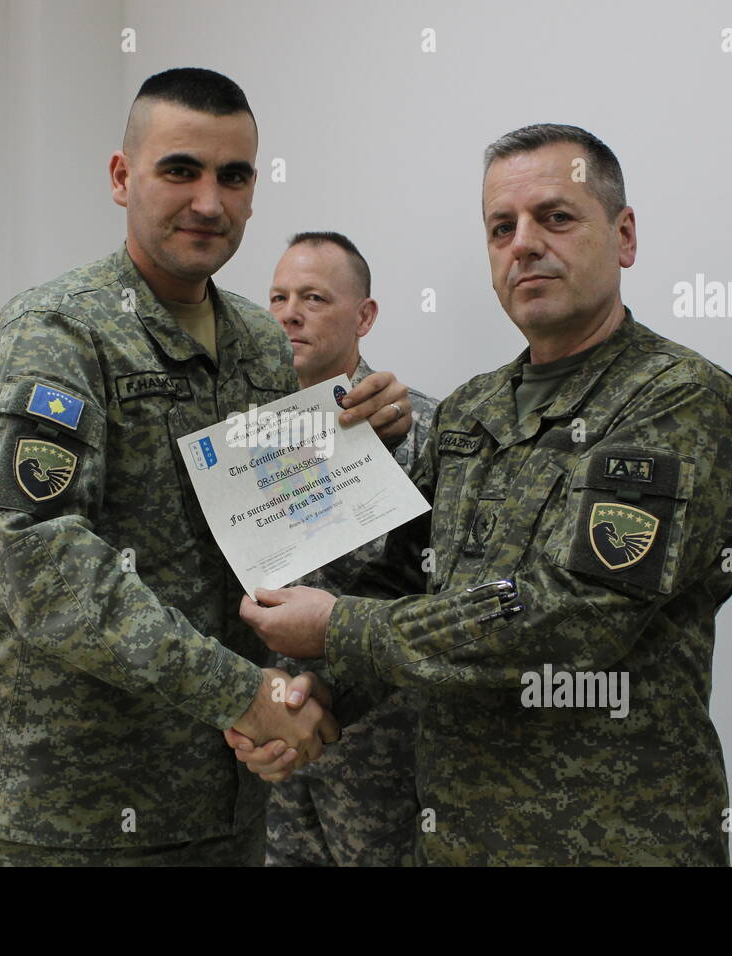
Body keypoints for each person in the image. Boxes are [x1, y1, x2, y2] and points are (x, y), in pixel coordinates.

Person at [233, 124, 732, 866]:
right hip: (454, 838)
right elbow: (401, 579)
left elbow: (575, 614)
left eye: (555, 217)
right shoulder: (469, 413)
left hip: (615, 843)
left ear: (624, 237)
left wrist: (343, 630)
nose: (523, 243)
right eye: (501, 227)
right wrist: (314, 704)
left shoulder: (676, 401)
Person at [0, 68, 413, 867]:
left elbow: (281, 544)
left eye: (233, 176)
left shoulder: (260, 342)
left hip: (226, 781)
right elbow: (43, 563)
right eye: (181, 170)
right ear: (121, 176)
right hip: (75, 801)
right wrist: (245, 695)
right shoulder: (59, 330)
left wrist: (364, 444)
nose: (210, 201)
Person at [250, 231, 437, 866]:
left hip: (383, 747)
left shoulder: (426, 429)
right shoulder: (240, 441)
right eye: (277, 296)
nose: (288, 312)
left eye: (314, 297)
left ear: (365, 316)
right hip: (272, 736)